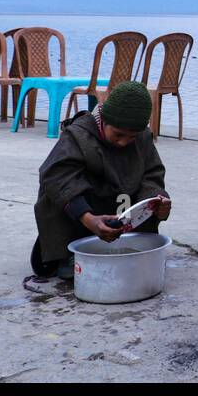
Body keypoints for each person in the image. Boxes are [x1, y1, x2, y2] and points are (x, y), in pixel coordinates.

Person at [31, 80, 173, 280]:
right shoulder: (78, 136)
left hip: (119, 213)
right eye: (118, 134)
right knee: (53, 191)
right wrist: (88, 219)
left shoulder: (142, 138)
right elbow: (57, 178)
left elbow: (152, 175)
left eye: (131, 137)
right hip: (83, 214)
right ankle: (67, 253)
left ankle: (126, 246)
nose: (124, 142)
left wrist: (157, 202)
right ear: (104, 121)